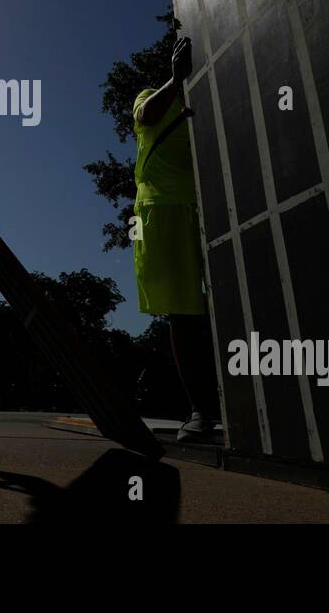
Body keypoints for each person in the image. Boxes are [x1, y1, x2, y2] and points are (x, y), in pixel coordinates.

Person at [132, 36, 221, 443]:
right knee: (184, 314)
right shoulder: (152, 94)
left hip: (212, 205)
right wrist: (175, 79)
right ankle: (201, 409)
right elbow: (146, 115)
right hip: (165, 211)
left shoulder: (212, 94)